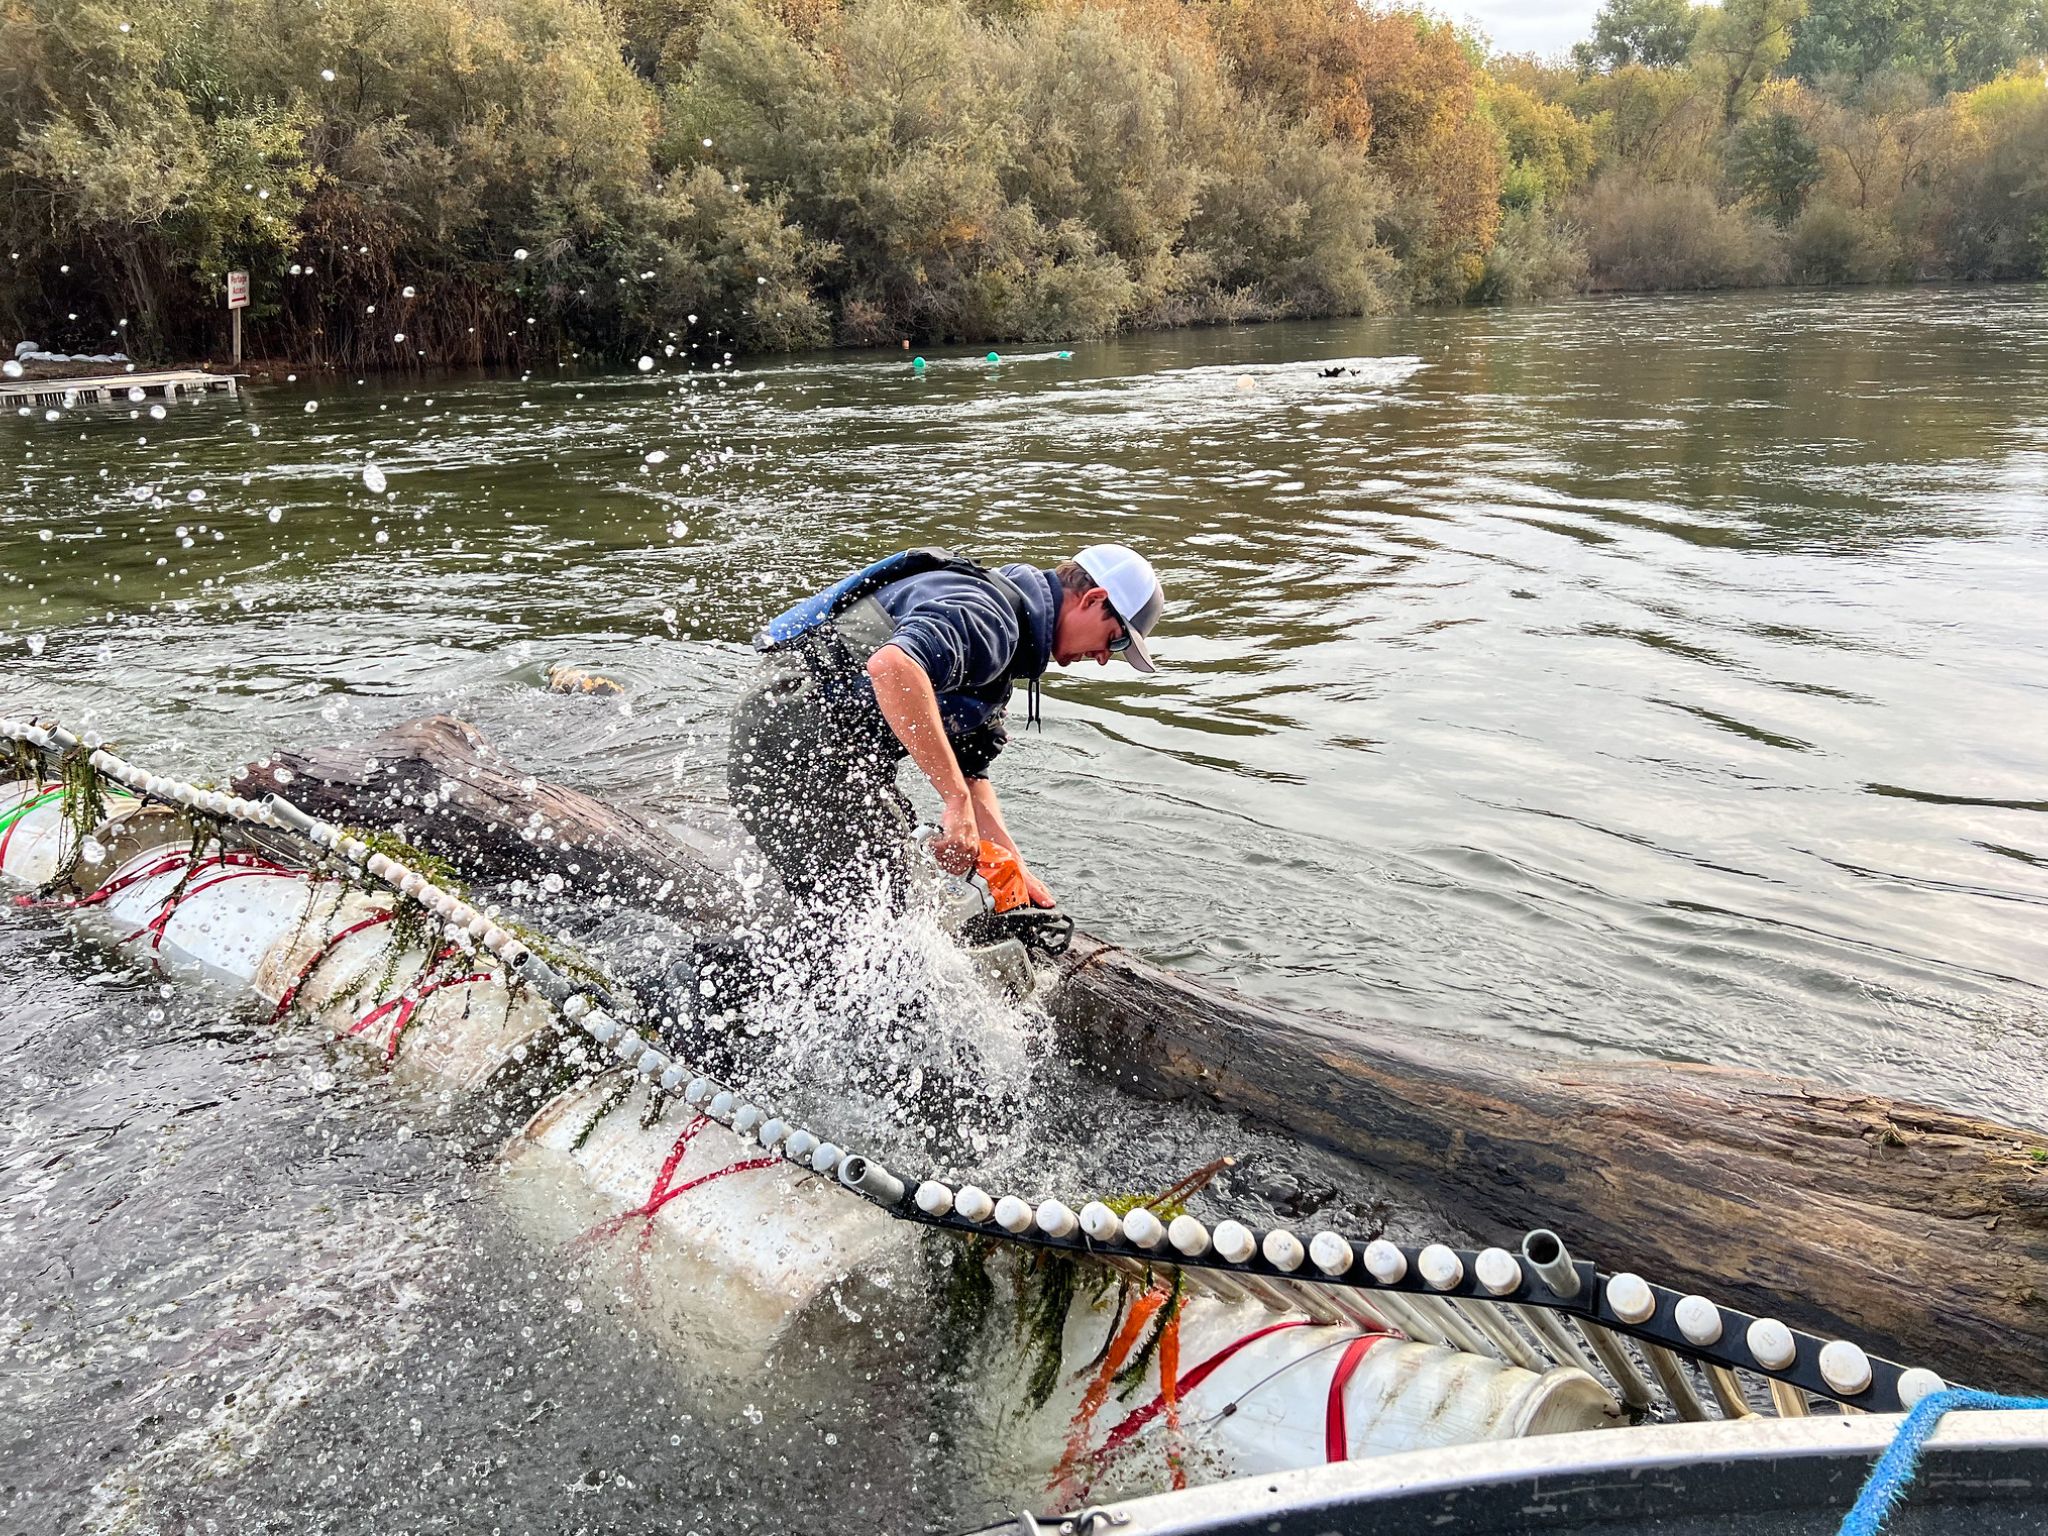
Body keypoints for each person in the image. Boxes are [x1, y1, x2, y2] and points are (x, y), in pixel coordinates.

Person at [727, 543, 1163, 927]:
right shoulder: (989, 617)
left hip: (811, 747)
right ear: (1093, 599)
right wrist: (953, 803)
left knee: (887, 902)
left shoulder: (1011, 636)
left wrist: (1014, 869)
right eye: (1118, 640)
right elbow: (893, 667)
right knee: (879, 924)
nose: (1106, 658)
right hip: (792, 742)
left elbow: (973, 774)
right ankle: (696, 988)